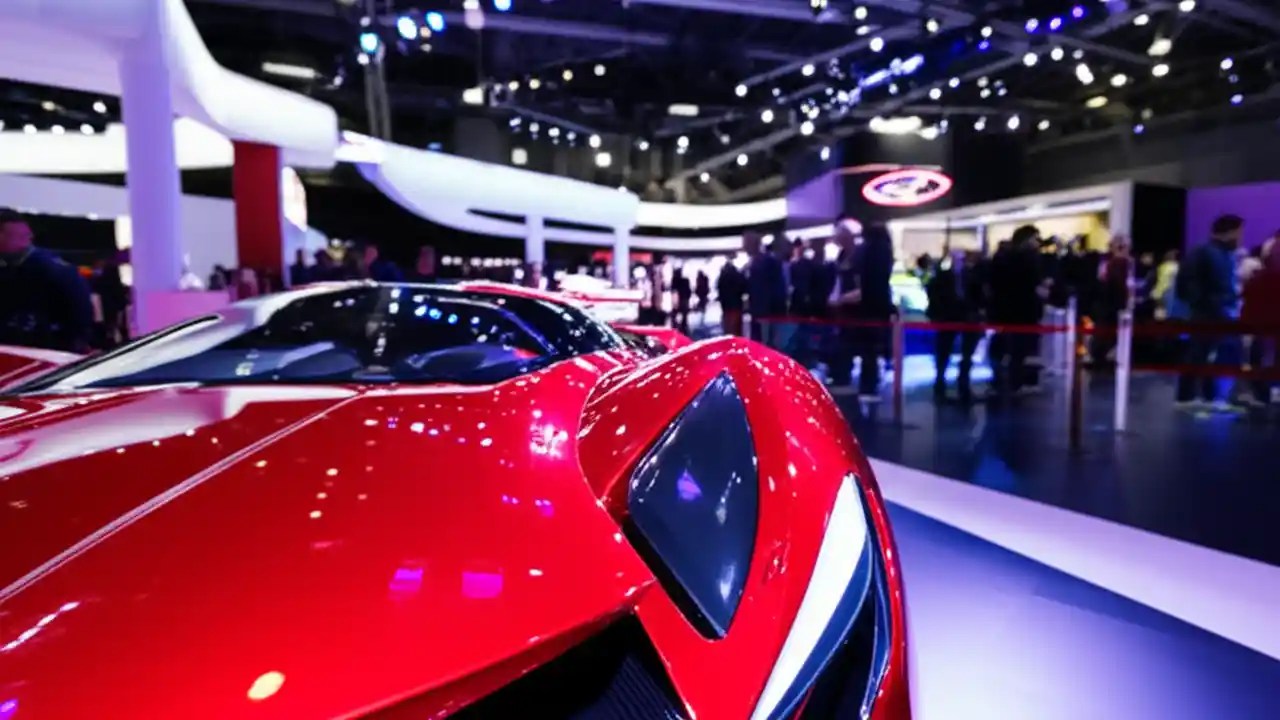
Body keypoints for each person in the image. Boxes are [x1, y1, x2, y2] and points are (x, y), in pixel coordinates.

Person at [0, 210, 95, 353]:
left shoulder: (50, 269)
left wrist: (78, 341)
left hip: (48, 350)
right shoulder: (13, 266)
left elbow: (79, 308)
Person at [1175, 214, 1244, 409]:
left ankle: (1207, 396)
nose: (1240, 238)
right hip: (1209, 313)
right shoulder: (1206, 253)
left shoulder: (1221, 254)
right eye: (1239, 233)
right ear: (1229, 232)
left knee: (1210, 354)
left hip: (1218, 311)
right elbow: (1187, 283)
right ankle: (1188, 396)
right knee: (1201, 352)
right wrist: (1206, 303)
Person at [987, 225, 1045, 398]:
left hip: (1005, 311)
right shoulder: (1026, 260)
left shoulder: (1003, 258)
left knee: (1003, 347)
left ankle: (1001, 381)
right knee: (1018, 349)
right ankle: (1015, 383)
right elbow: (1031, 282)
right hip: (1021, 312)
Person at [926, 249, 985, 403]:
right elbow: (934, 294)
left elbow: (978, 295)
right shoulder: (942, 276)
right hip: (948, 317)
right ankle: (940, 382)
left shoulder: (972, 276)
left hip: (968, 317)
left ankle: (963, 382)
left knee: (967, 353)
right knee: (943, 350)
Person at [1241, 236, 1279, 406]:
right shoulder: (1263, 276)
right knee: (1263, 354)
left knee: (1261, 354)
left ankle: (1262, 392)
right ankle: (1263, 392)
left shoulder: (1259, 276)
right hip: (1265, 322)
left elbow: (1248, 295)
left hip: (1261, 322)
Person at [745, 231, 786, 345]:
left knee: (767, 343)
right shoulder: (753, 262)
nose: (744, 246)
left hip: (766, 312)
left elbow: (777, 287)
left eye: (746, 243)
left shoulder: (768, 261)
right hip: (757, 311)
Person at [716, 260, 747, 336]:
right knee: (736, 328)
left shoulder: (722, 277)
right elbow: (744, 288)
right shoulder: (738, 275)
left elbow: (719, 289)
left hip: (726, 306)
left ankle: (729, 343)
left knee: (728, 329)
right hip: (736, 305)